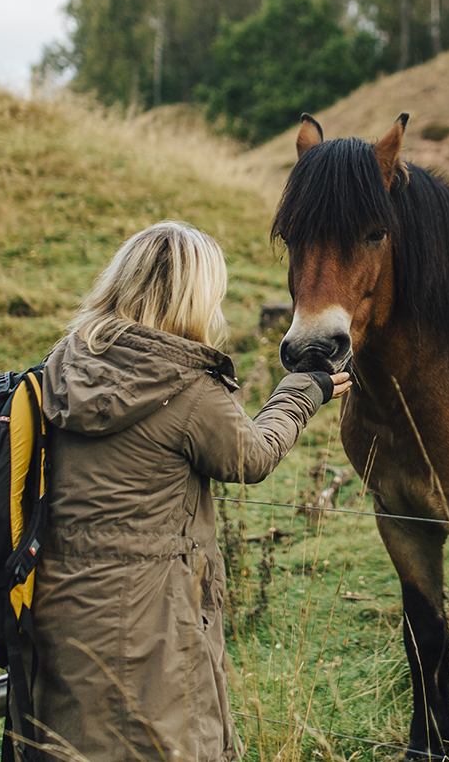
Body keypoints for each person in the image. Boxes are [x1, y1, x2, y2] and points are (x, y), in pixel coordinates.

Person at [30, 220, 350, 762]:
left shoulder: (67, 361)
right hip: (154, 611)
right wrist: (302, 393)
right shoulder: (184, 385)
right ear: (193, 296)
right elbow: (251, 455)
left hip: (61, 600)